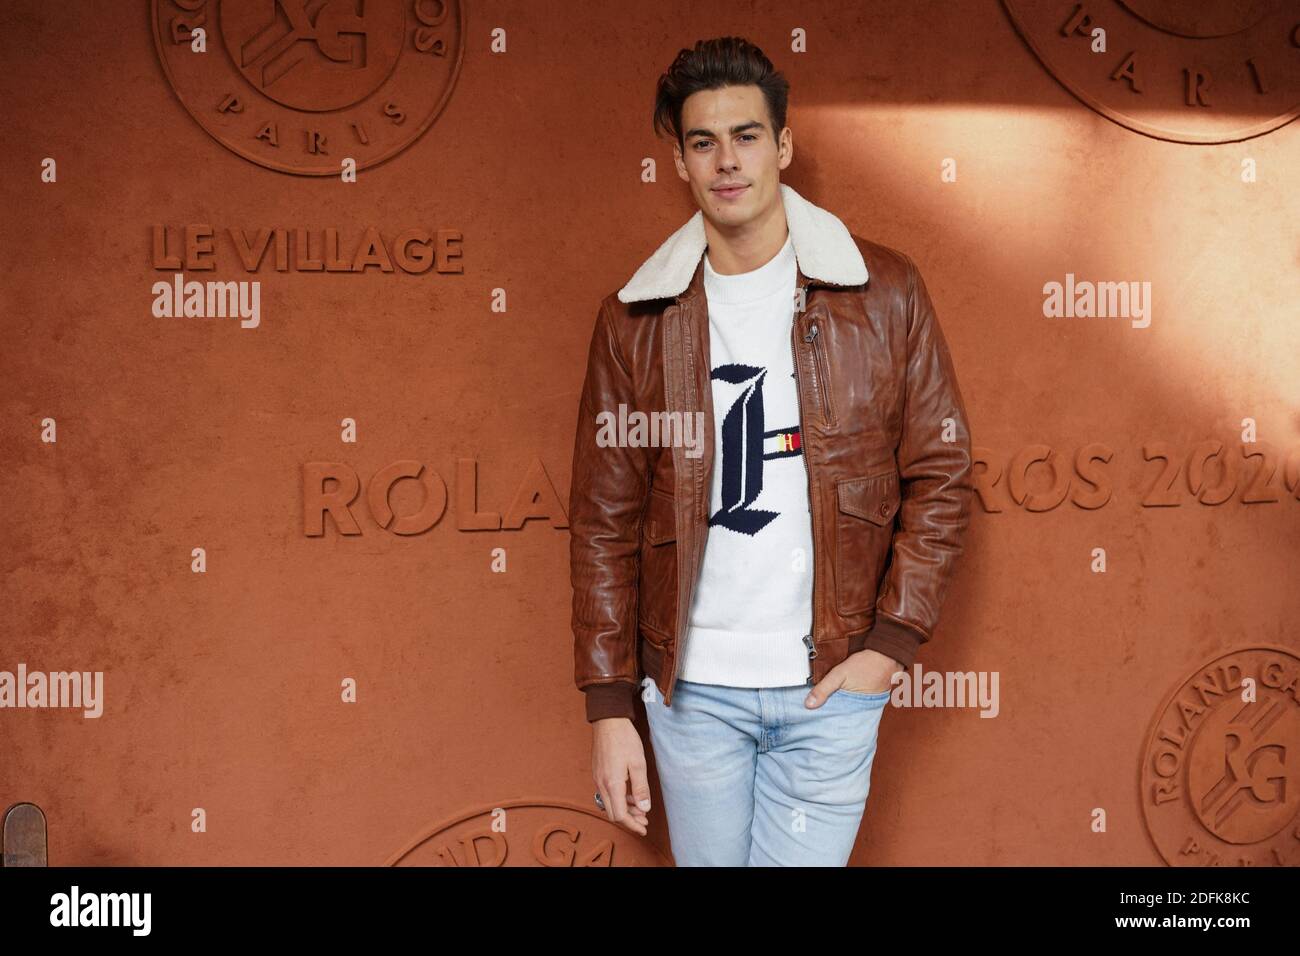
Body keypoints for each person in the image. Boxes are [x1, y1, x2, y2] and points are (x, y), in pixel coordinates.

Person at [568, 36, 974, 866]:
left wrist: (889, 647)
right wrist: (611, 706)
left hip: (830, 685)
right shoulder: (634, 319)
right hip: (694, 694)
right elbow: (603, 519)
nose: (727, 161)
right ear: (679, 160)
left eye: (747, 136)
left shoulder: (883, 292)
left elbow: (941, 471)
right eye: (702, 141)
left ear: (782, 146)